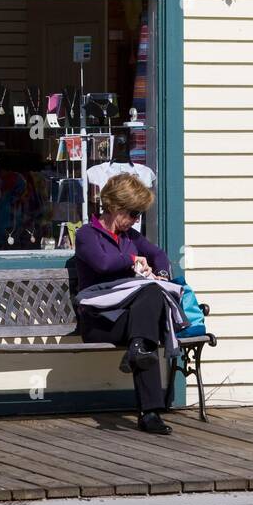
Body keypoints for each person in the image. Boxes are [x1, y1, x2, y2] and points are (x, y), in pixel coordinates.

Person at [74, 173, 176, 435]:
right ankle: (150, 413)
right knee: (144, 332)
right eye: (132, 213)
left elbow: (159, 255)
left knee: (143, 333)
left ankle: (149, 406)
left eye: (139, 214)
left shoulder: (130, 235)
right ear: (115, 207)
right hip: (100, 321)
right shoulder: (87, 234)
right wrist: (133, 259)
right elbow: (103, 263)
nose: (136, 220)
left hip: (129, 319)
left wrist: (161, 275)